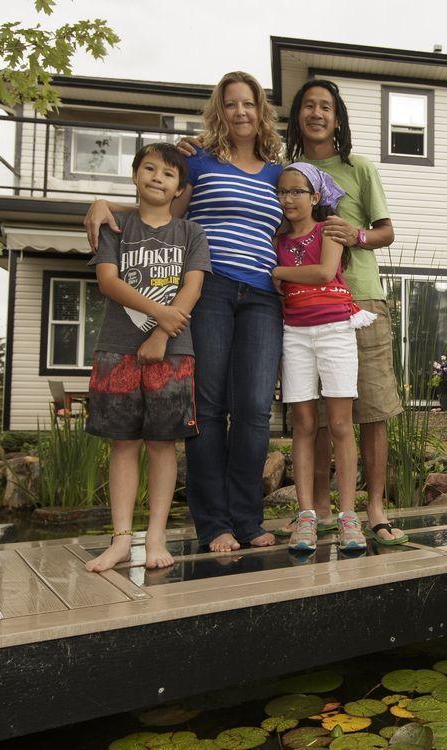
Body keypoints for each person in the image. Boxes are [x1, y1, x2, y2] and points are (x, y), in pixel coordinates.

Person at [84, 71, 284, 553]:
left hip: (262, 296)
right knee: (209, 409)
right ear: (220, 111)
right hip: (208, 290)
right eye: (231, 104)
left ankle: (247, 518)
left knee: (255, 410)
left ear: (261, 112)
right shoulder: (199, 163)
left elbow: (302, 221)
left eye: (249, 104)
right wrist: (98, 202)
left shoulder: (281, 174)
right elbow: (156, 202)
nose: (240, 112)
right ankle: (213, 524)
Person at [284, 79, 408, 545]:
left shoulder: (358, 169)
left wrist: (354, 235)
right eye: (309, 105)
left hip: (361, 299)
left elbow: (386, 232)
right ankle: (314, 510)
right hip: (306, 310)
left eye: (326, 107)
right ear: (298, 116)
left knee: (371, 409)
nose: (317, 113)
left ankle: (373, 508)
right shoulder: (287, 176)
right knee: (313, 415)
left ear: (338, 118)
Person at [84, 142, 211, 572]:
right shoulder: (115, 226)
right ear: (135, 176)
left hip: (173, 353)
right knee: (123, 444)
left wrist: (160, 335)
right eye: (149, 169)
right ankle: (121, 539)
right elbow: (107, 281)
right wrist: (158, 314)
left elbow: (191, 289)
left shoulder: (191, 233)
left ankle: (156, 536)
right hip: (117, 349)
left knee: (162, 444)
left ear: (180, 188)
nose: (158, 177)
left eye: (168, 173)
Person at [273, 163, 377, 552]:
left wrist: (279, 271)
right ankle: (306, 515)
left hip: (335, 330)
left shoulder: (328, 228)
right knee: (302, 422)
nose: (288, 199)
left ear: (315, 196)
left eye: (297, 191)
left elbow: (323, 272)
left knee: (338, 423)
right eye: (282, 192)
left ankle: (348, 514)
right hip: (295, 333)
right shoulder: (277, 237)